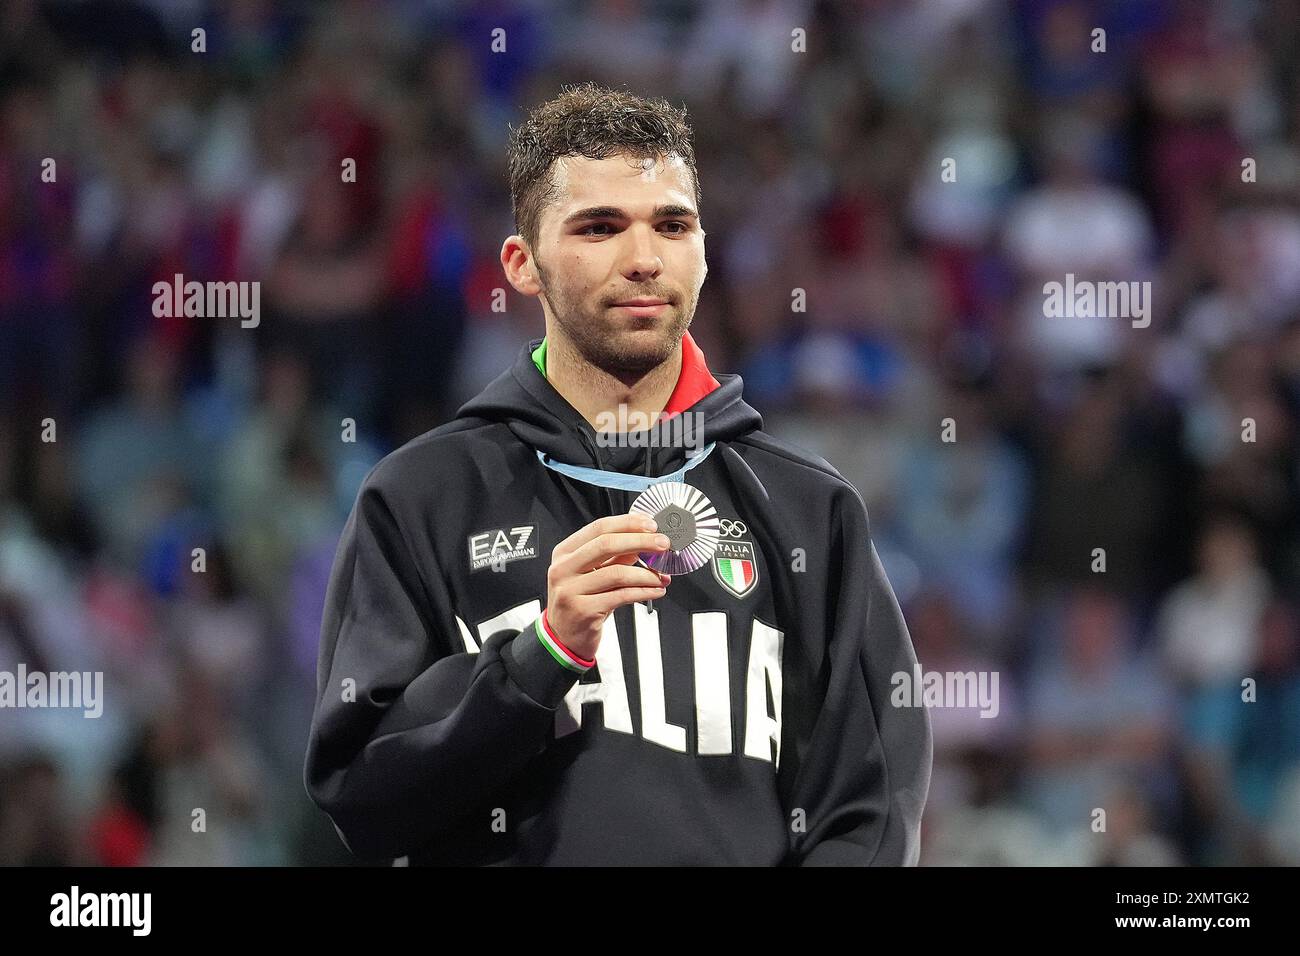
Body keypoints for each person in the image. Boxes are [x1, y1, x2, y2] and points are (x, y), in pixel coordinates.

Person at [303, 82, 932, 865]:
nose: (643, 259)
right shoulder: (422, 498)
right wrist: (538, 658)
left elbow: (868, 813)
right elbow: (362, 797)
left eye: (672, 225)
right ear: (522, 264)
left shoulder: (809, 509)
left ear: (702, 251)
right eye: (600, 227)